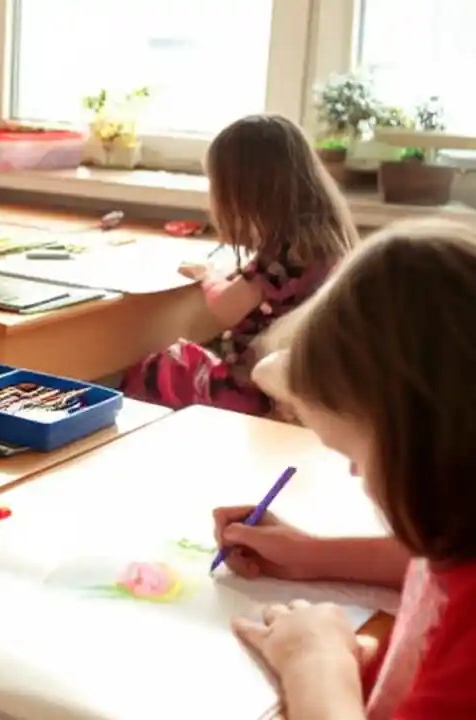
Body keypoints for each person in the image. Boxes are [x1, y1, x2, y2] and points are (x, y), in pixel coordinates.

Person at [216, 219, 476, 718]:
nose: (357, 476)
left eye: (356, 456)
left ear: (426, 444)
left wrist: (316, 664)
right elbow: (428, 566)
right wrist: (313, 556)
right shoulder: (459, 522)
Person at [122, 114, 358, 417]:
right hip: (306, 384)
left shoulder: (281, 257)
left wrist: (208, 276)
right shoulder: (325, 244)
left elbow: (225, 308)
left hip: (254, 393)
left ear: (244, 194)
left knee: (158, 370)